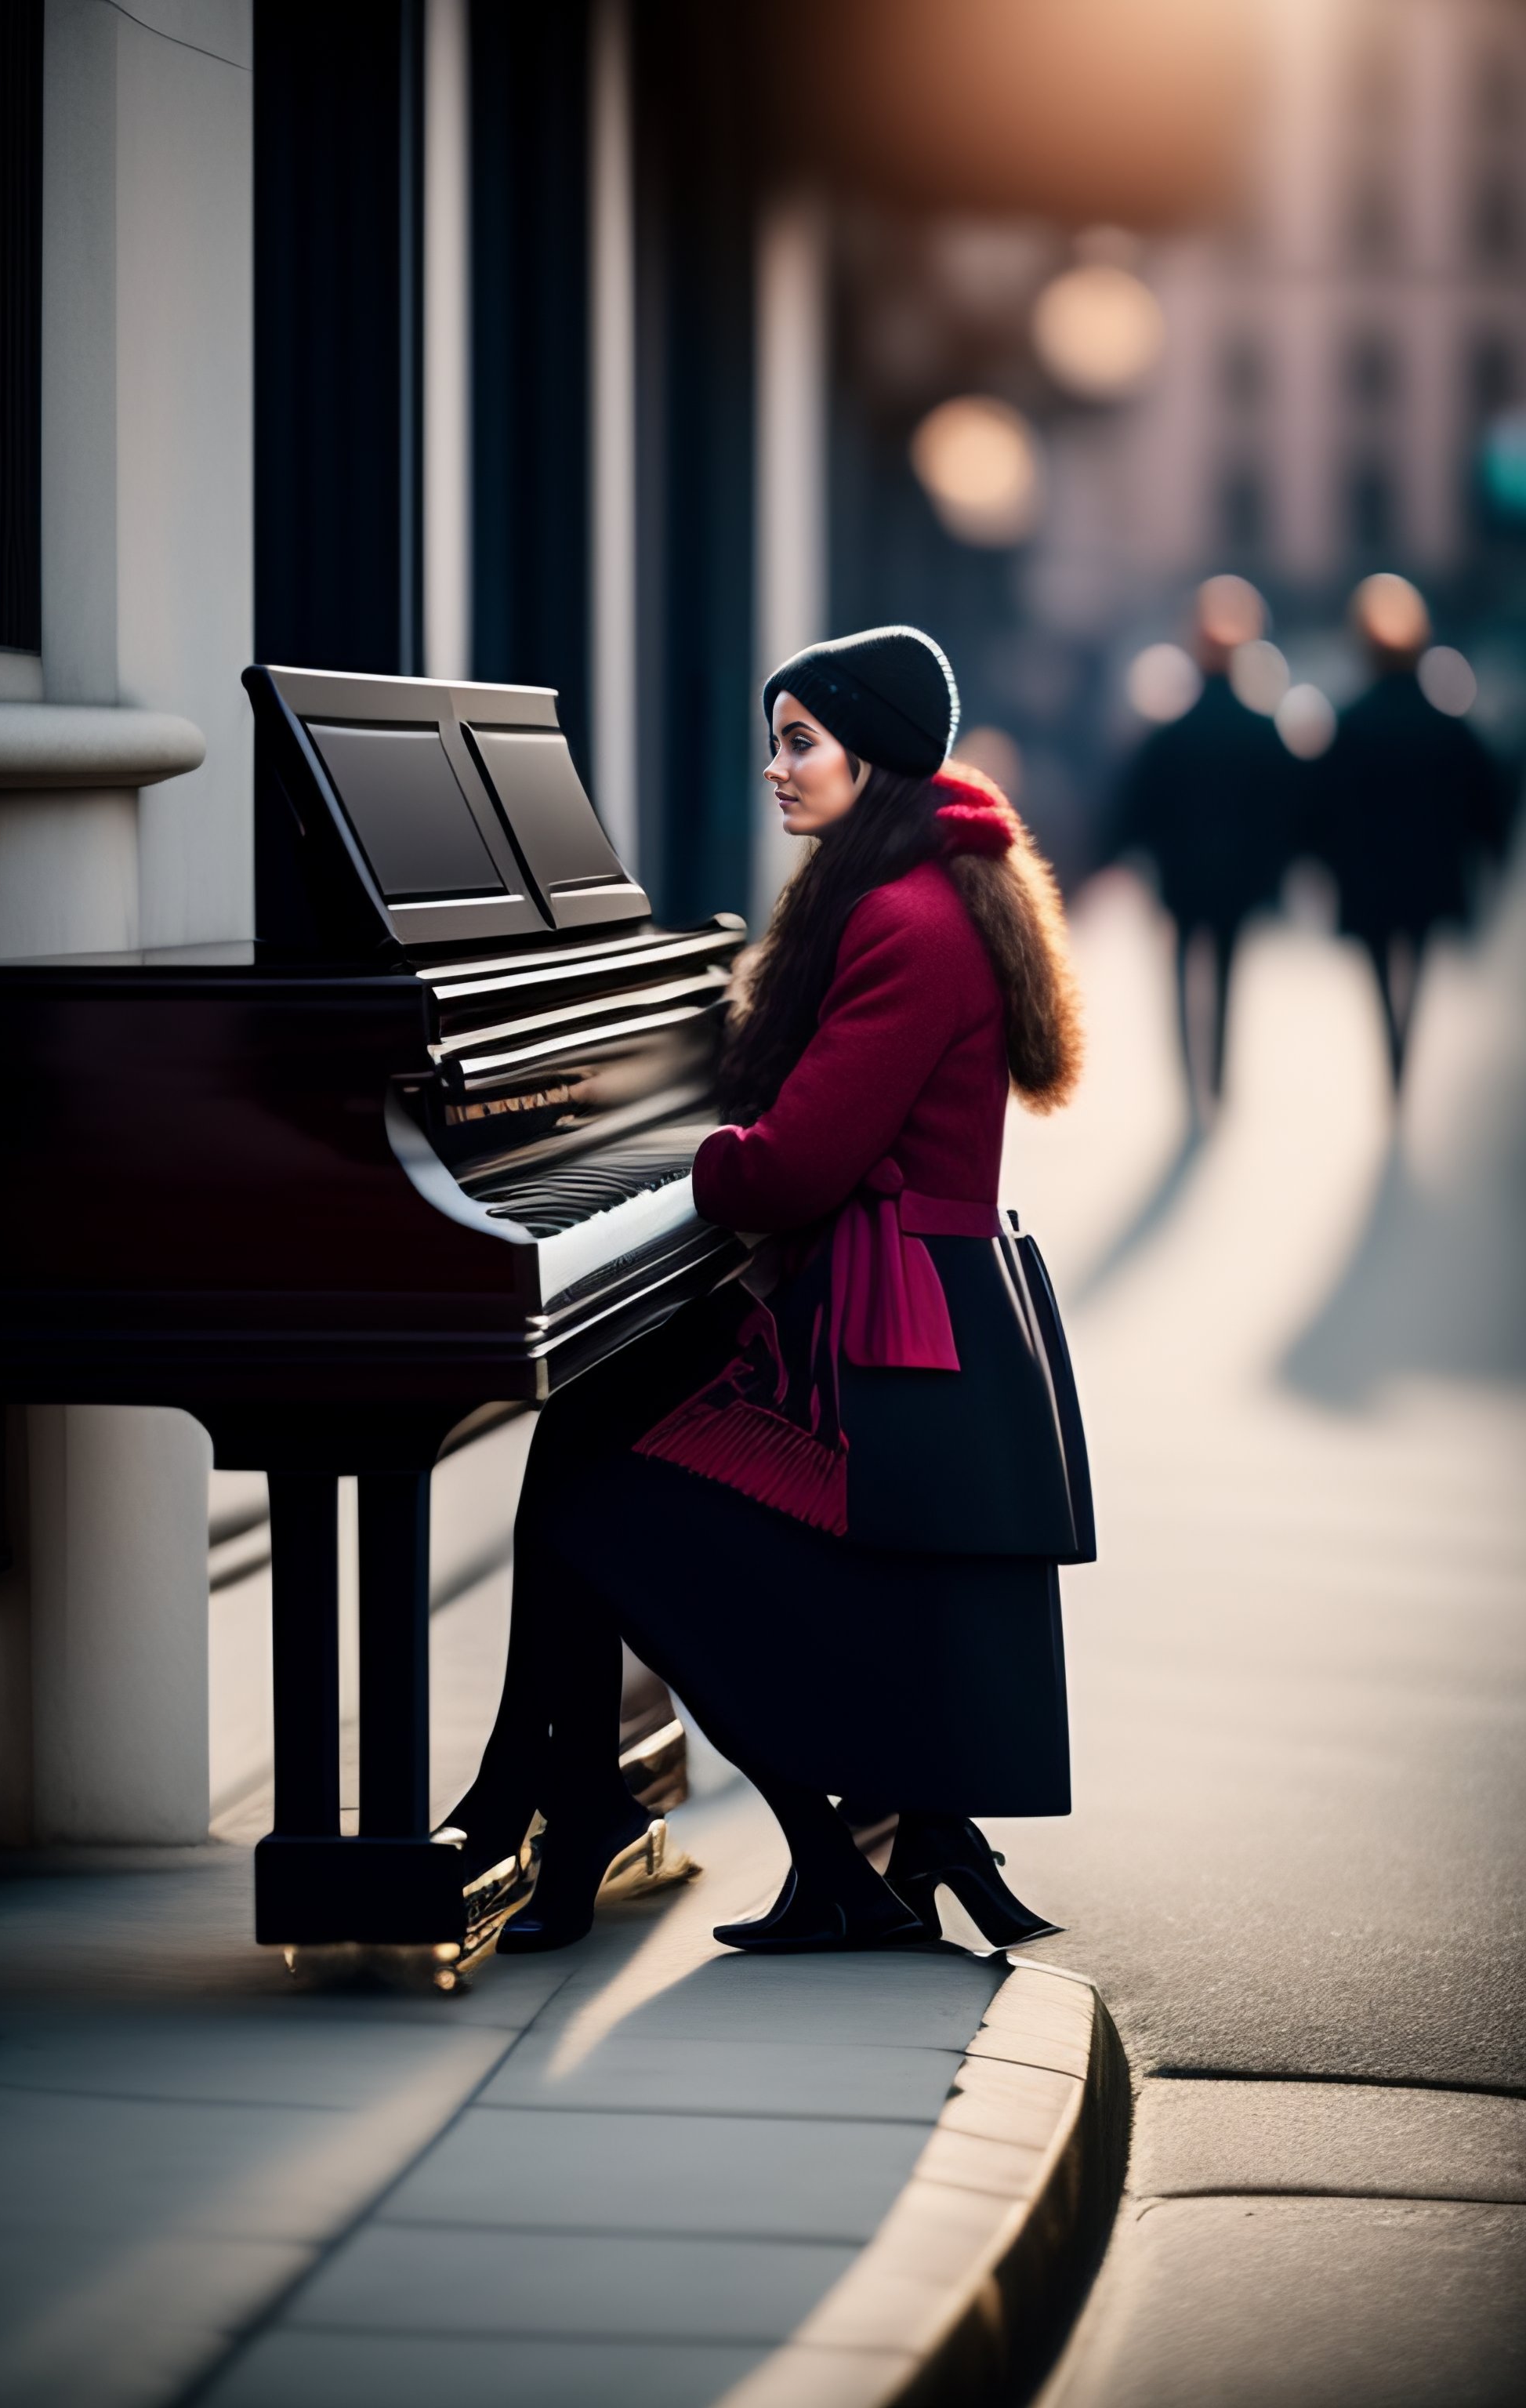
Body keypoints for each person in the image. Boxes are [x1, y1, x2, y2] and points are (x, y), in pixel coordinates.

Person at [450, 626, 1093, 1955]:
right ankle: (577, 1815)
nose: (774, 765)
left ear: (872, 753)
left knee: (591, 1497)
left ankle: (753, 1841)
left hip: (883, 1363)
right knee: (581, 1432)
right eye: (776, 738)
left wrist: (675, 1165)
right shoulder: (925, 887)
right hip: (892, 1319)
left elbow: (795, 1165)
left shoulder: (904, 922)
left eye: (799, 739)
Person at [1307, 574, 1506, 1093]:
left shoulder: (1348, 724)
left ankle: (1390, 1049)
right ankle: (1404, 1048)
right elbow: (1485, 799)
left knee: (1377, 963)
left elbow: (1321, 807)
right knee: (1415, 957)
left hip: (1367, 873)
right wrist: (1489, 856)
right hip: (1426, 870)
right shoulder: (1446, 723)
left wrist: (1321, 860)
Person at [1111, 575, 1297, 1115]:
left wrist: (1128, 860)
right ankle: (1219, 1076)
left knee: (1177, 974)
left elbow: (1136, 810)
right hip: (1239, 876)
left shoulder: (1169, 733)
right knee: (1229, 971)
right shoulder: (1263, 730)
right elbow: (1283, 811)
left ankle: (1190, 1082)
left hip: (1182, 875)